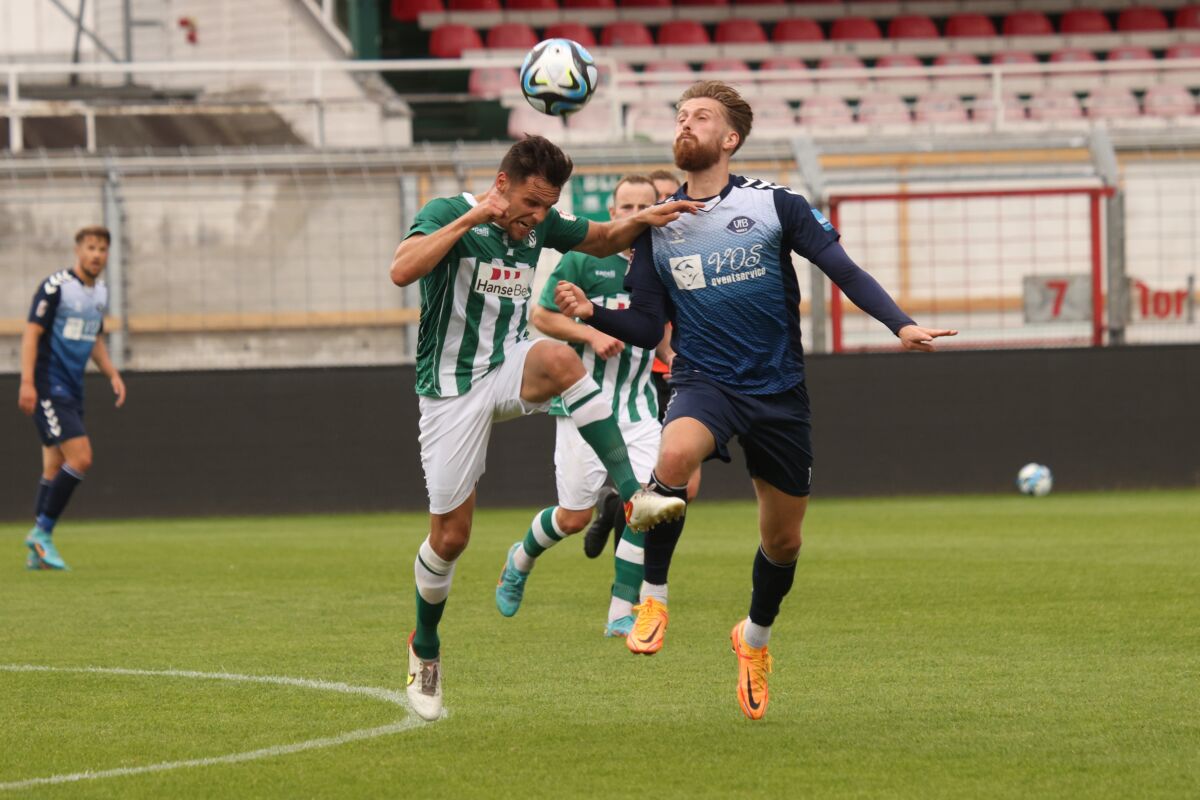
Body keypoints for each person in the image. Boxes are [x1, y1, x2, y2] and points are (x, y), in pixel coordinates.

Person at [554, 81, 956, 720]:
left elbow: (841, 267)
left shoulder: (776, 205)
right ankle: (652, 596)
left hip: (778, 392)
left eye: (701, 117)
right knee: (675, 454)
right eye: (681, 116)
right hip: (704, 382)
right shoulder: (657, 227)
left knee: (785, 541)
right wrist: (595, 311)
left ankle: (754, 638)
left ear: (730, 138)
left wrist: (899, 323)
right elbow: (647, 324)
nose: (686, 124)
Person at [390, 136, 698, 722]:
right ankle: (424, 647)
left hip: (509, 365)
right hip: (450, 392)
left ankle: (633, 494)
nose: (536, 218)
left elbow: (604, 237)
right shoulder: (448, 213)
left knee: (561, 359)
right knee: (450, 539)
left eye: (546, 206)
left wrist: (652, 215)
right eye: (530, 203)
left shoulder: (540, 225)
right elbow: (402, 270)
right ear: (501, 184)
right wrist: (474, 216)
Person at [494, 174, 668, 639]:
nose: (633, 216)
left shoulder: (664, 262)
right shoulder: (585, 259)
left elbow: (664, 331)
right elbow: (541, 314)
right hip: (584, 409)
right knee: (572, 518)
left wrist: (681, 362)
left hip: (639, 409)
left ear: (656, 211)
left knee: (644, 504)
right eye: (624, 208)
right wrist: (591, 332)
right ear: (612, 215)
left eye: (642, 207)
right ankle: (520, 559)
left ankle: (619, 610)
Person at [581, 168, 688, 559]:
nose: (644, 212)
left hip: (679, 372)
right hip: (646, 379)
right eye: (632, 206)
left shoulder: (673, 247)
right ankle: (637, 573)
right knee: (659, 484)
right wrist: (593, 330)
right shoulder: (611, 258)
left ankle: (615, 503)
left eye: (652, 203)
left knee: (683, 488)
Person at [17, 225, 127, 571]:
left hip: (73, 387)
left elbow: (94, 339)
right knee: (81, 459)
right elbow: (31, 334)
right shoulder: (56, 287)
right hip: (50, 383)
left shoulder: (100, 293)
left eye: (102, 249)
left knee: (53, 466)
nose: (97, 254)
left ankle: (38, 552)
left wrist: (112, 373)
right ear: (78, 251)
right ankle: (42, 534)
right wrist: (27, 382)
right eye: (91, 247)